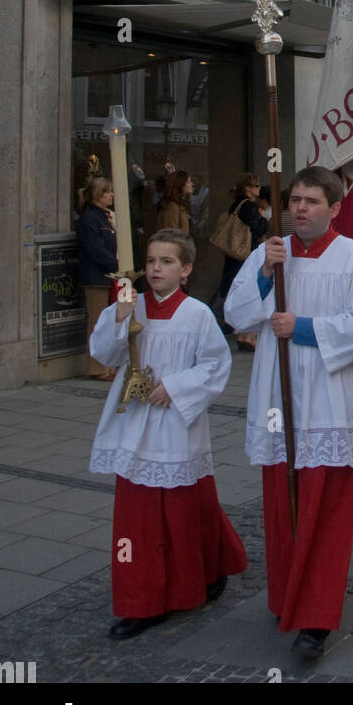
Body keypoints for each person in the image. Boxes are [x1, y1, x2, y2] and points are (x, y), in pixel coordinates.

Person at [223, 166, 353, 663]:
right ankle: (289, 595)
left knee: (325, 509)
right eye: (294, 199)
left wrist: (305, 327)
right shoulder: (271, 253)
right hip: (280, 398)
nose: (298, 209)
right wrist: (264, 273)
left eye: (311, 201)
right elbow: (237, 313)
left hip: (333, 400)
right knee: (283, 504)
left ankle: (315, 617)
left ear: (335, 208)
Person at [88, 229, 247, 638]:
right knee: (137, 519)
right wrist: (120, 319)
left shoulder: (195, 315)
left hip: (176, 422)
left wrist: (175, 388)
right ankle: (140, 600)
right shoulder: (131, 306)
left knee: (187, 510)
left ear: (186, 270)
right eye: (152, 261)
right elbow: (103, 354)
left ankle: (203, 574)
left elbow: (215, 364)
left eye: (167, 261)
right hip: (134, 422)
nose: (156, 268)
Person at [216, 173, 267, 349]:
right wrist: (264, 219)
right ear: (248, 188)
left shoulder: (235, 204)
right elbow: (257, 230)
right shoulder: (250, 206)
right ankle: (245, 334)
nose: (259, 188)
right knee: (249, 287)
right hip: (245, 253)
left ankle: (234, 327)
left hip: (233, 254)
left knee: (232, 286)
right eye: (257, 185)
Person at [76, 176, 119, 382]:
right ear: (97, 195)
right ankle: (97, 367)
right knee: (97, 322)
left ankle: (108, 365)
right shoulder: (89, 218)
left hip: (108, 275)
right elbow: (95, 249)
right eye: (108, 192)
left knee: (109, 322)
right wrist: (114, 264)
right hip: (96, 276)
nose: (111, 195)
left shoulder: (105, 216)